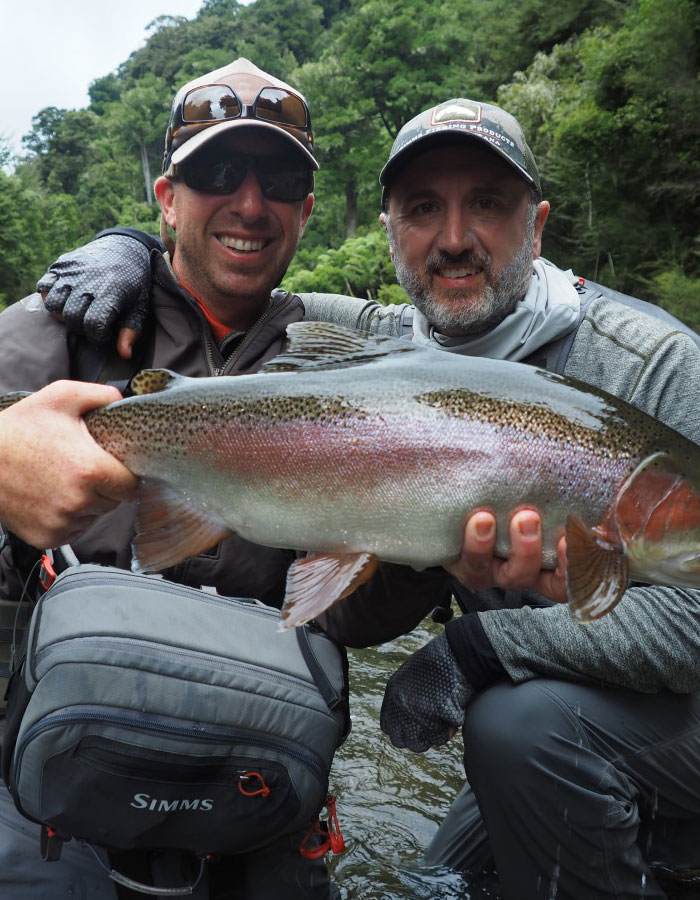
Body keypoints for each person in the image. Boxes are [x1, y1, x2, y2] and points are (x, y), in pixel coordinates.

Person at [35, 95, 700, 900]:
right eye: (423, 209)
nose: (454, 238)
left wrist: (476, 650)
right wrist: (130, 250)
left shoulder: (656, 366)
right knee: (436, 880)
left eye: (487, 204)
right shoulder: (394, 336)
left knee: (519, 733)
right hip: (553, 717)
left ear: (538, 222)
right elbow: (228, 268)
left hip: (599, 717)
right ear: (390, 232)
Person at [0, 56, 341, 900]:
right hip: (53, 771)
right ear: (166, 197)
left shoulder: (333, 363)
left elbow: (354, 618)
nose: (250, 204)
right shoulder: (62, 321)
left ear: (306, 208)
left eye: (279, 179)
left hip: (248, 767)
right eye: (219, 172)